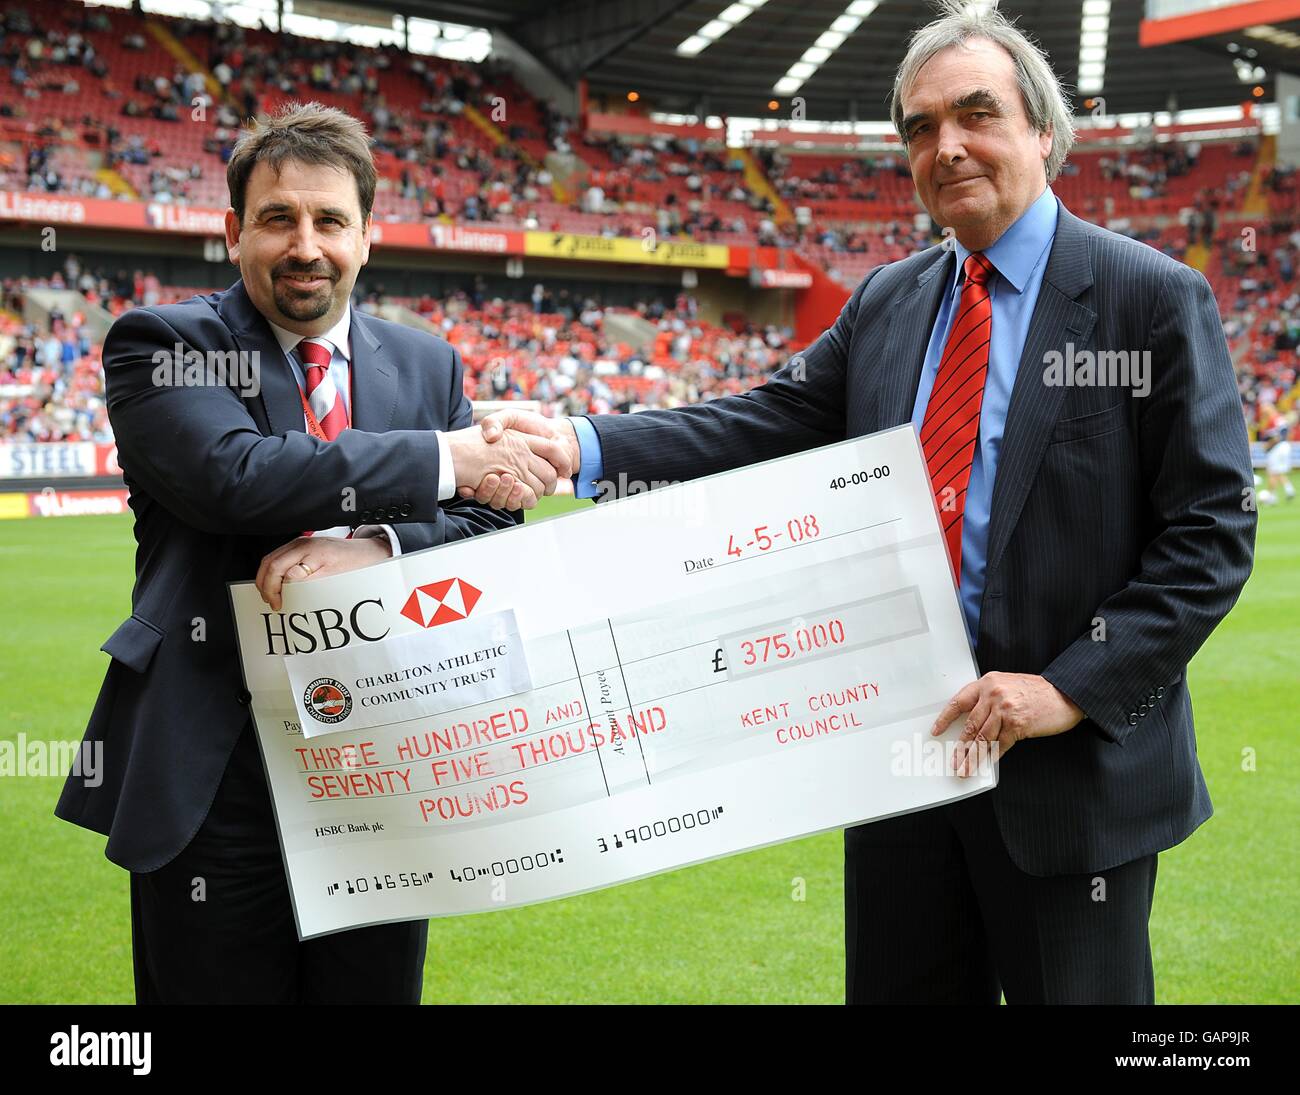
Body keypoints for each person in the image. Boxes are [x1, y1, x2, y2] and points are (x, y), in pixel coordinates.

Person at [468, 2, 1257, 1003]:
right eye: (920, 128)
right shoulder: (889, 297)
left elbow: (1211, 532)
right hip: (896, 756)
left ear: (1043, 132)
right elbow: (763, 422)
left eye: (976, 115)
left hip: (1067, 783)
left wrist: (1068, 689)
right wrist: (579, 444)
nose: (947, 146)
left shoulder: (1148, 296)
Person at [53, 103, 570, 1004]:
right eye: (278, 219)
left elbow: (490, 524)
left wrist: (379, 544)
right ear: (232, 232)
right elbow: (234, 477)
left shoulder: (425, 363)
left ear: (367, 237)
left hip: (384, 767)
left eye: (330, 220)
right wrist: (447, 457)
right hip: (216, 778)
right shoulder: (167, 344)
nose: (306, 245)